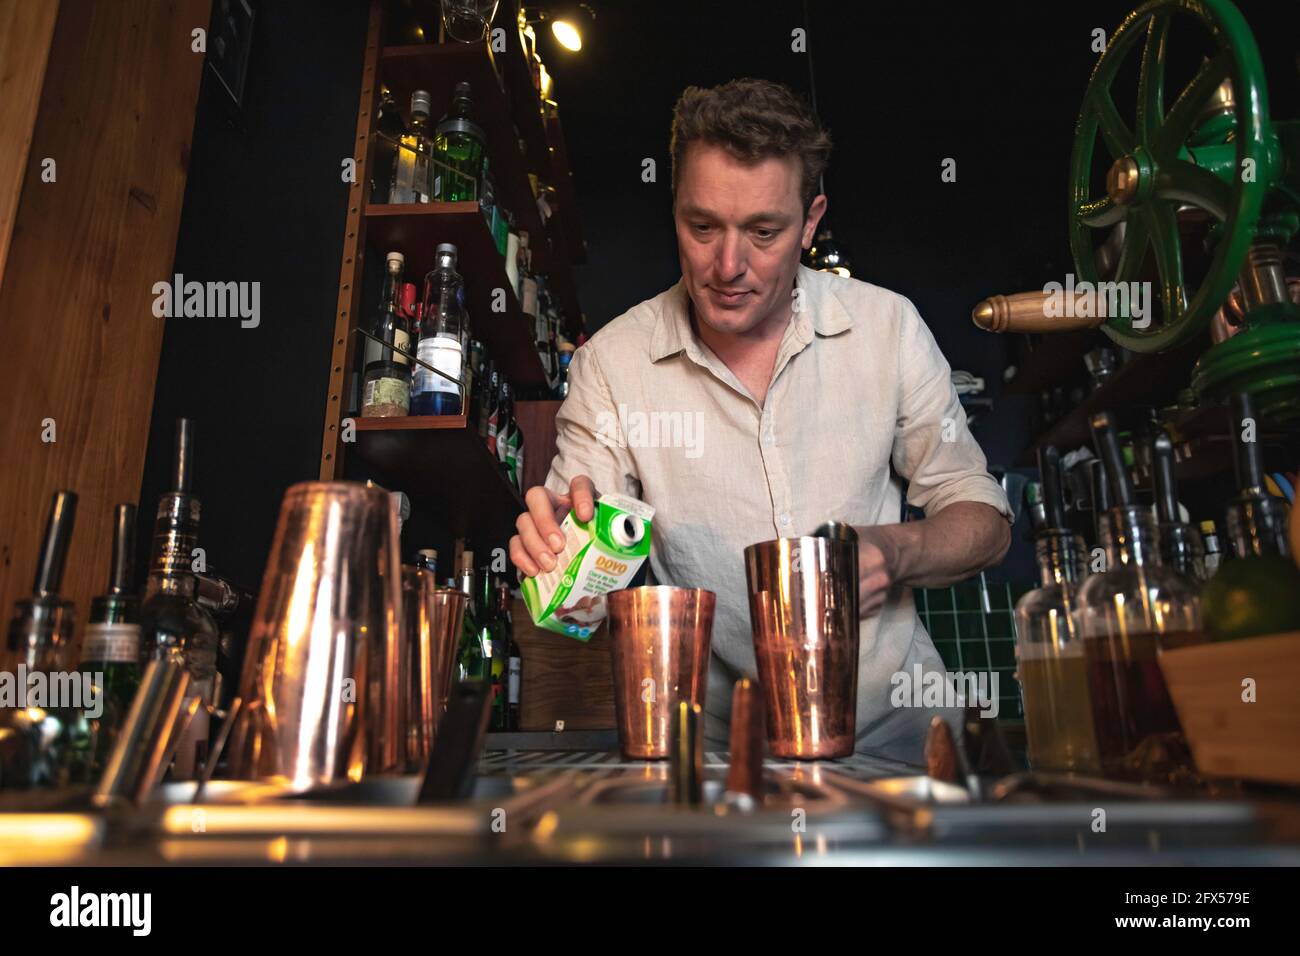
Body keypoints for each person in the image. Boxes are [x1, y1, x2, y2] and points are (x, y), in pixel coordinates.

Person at [509, 78, 1011, 763]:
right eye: (702, 226)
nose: (727, 266)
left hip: (902, 736)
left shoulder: (887, 327)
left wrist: (896, 553)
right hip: (723, 750)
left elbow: (983, 518)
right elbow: (578, 582)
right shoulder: (614, 365)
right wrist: (557, 571)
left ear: (811, 221)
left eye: (764, 232)